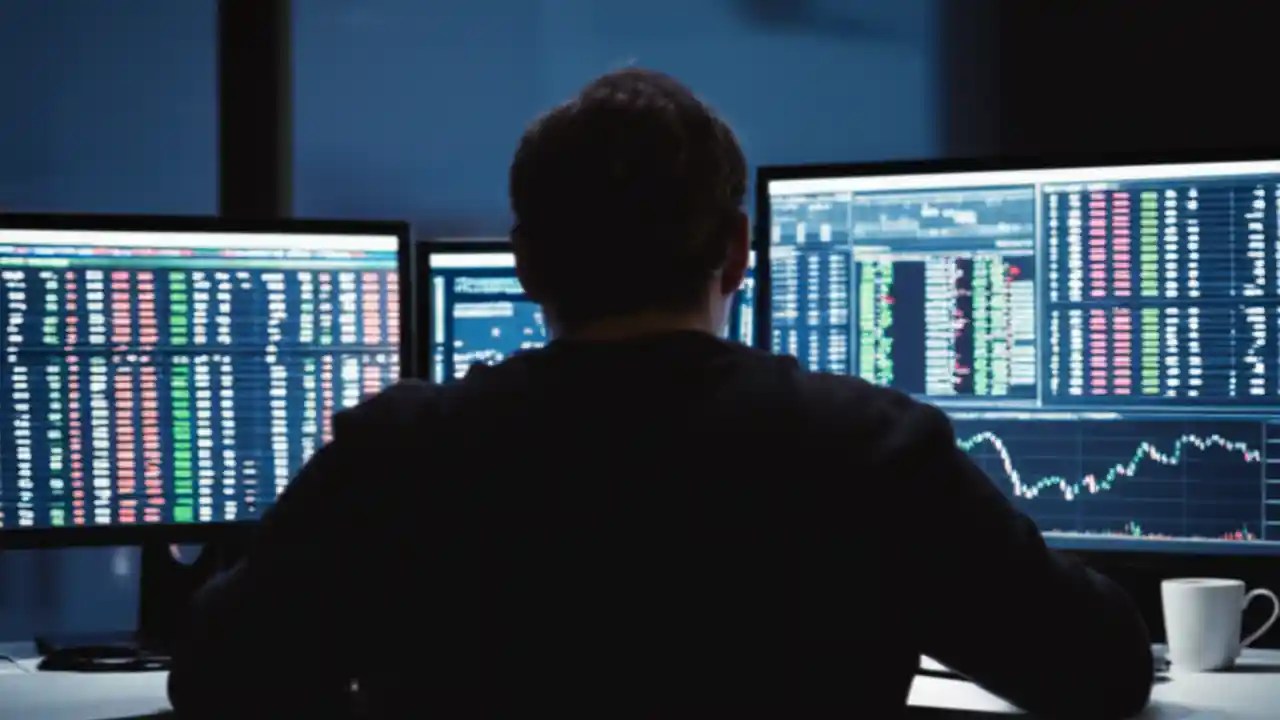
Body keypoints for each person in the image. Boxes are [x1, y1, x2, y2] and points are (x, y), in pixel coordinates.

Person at [168, 68, 1153, 718]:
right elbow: (1098, 672)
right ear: (734, 251)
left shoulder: (400, 452)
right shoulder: (871, 450)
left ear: (524, 262)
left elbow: (215, 677)